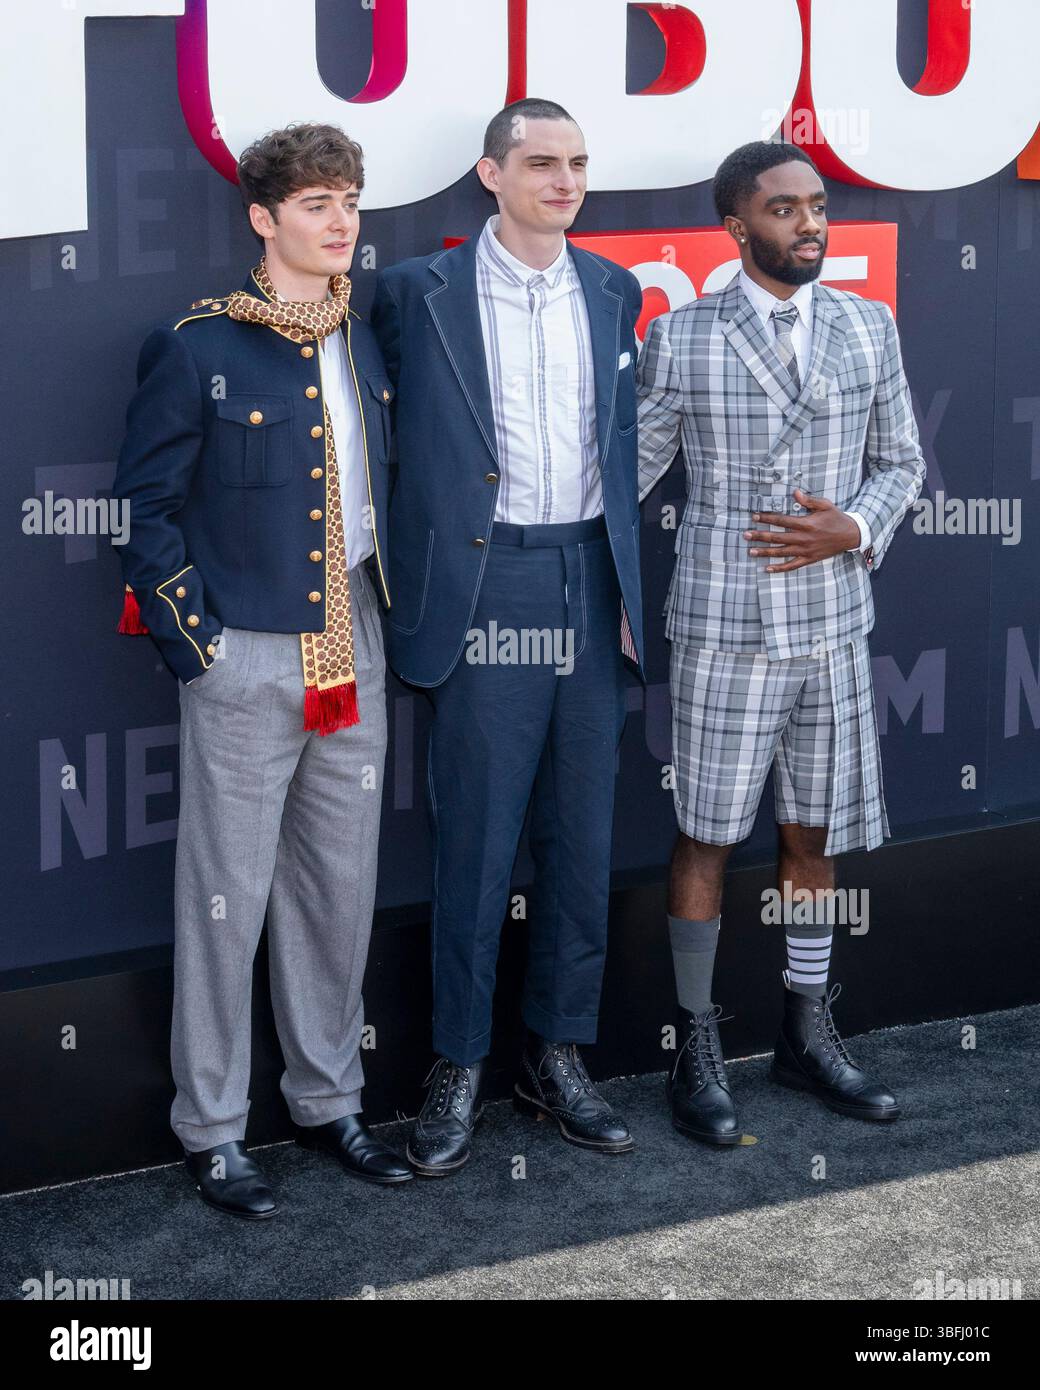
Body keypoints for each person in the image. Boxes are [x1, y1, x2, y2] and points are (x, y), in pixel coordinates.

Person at [112, 122, 411, 1217]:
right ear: (263, 218)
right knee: (224, 900)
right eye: (317, 203)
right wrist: (201, 650)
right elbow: (142, 510)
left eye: (349, 202)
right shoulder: (195, 346)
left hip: (355, 648)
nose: (340, 223)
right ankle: (214, 1129)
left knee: (339, 892)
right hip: (244, 653)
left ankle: (332, 1105)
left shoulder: (361, 337)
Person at [371, 99, 645, 1176]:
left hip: (587, 573)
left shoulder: (612, 289)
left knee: (578, 841)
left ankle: (557, 1057)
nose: (563, 180)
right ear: (489, 173)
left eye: (576, 162)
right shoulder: (411, 293)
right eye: (539, 162)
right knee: (477, 841)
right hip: (486, 584)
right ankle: (456, 1064)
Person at [636, 140, 926, 1145]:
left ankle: (806, 1029)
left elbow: (901, 460)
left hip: (834, 626)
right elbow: (621, 475)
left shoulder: (865, 324)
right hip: (724, 630)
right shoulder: (681, 337)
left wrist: (854, 526)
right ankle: (697, 1045)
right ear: (735, 225)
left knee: (811, 838)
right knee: (705, 838)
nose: (808, 223)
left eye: (816, 205)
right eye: (783, 208)